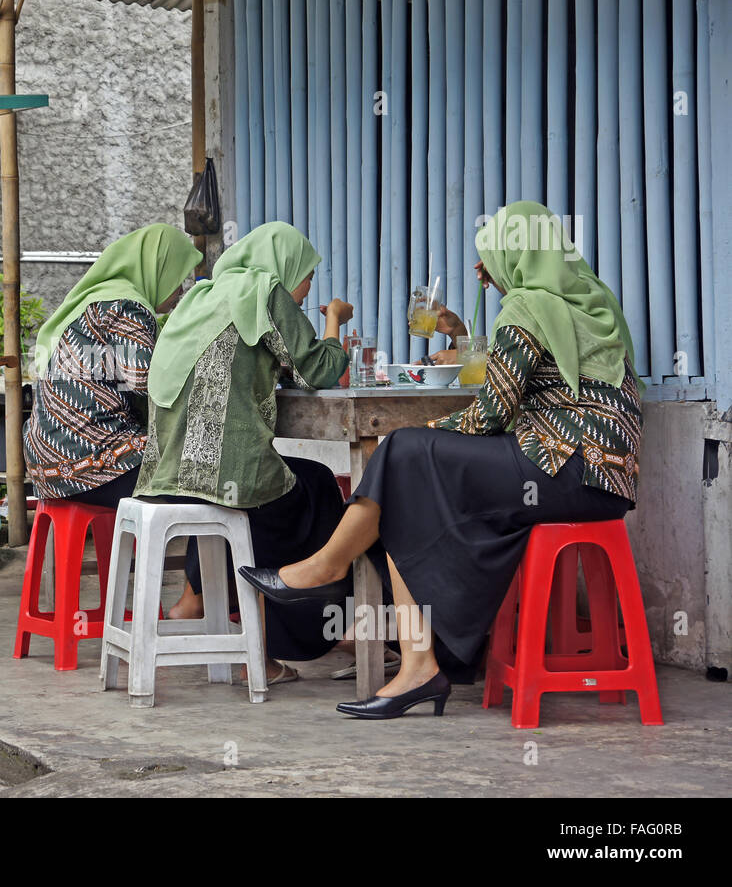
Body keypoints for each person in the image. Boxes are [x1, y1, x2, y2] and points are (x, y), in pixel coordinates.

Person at [240, 201, 642, 718]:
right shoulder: (591, 302)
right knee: (409, 474)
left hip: (560, 467)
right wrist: (460, 336)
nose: (485, 270)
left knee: (404, 454)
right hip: (603, 480)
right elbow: (517, 376)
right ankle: (414, 659)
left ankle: (335, 575)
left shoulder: (528, 307)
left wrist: (423, 432)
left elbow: (493, 411)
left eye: (491, 255)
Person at [136, 221, 354, 683]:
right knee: (316, 489)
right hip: (220, 478)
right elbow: (321, 371)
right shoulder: (264, 291)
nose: (309, 286)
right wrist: (335, 320)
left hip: (167, 475)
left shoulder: (202, 296)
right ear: (285, 266)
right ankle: (300, 637)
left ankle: (242, 629)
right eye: (308, 275)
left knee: (295, 484)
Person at [24, 223, 202, 507]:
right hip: (91, 465)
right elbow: (151, 383)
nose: (180, 291)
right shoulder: (124, 306)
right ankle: (202, 551)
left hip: (48, 469)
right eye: (178, 278)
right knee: (210, 473)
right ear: (159, 270)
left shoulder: (97, 300)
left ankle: (173, 549)